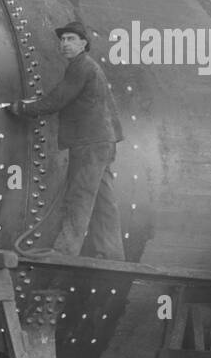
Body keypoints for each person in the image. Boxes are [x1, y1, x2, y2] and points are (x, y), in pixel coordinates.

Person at [9, 21, 125, 260]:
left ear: (84, 43)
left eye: (71, 39)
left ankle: (65, 251)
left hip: (89, 143)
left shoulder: (81, 67)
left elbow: (57, 100)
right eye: (63, 40)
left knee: (79, 196)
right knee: (104, 201)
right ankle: (112, 254)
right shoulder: (91, 68)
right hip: (103, 141)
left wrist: (22, 108)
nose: (65, 44)